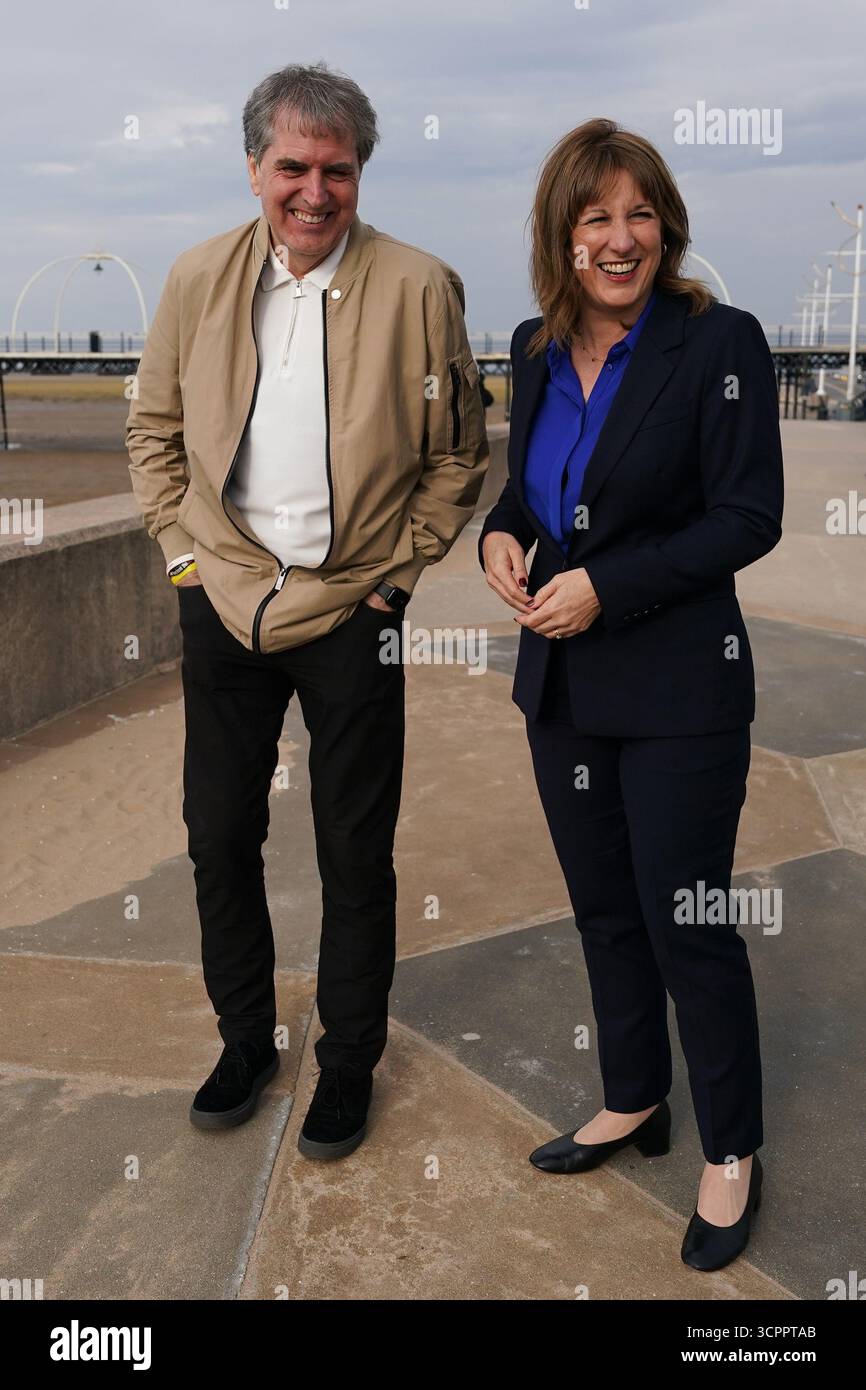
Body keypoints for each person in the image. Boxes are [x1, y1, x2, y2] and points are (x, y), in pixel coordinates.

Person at [126, 61, 488, 1160]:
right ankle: (246, 1039)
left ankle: (346, 1063)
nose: (314, 191)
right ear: (254, 170)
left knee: (352, 847)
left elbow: (457, 455)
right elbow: (151, 431)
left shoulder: (421, 286)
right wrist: (186, 566)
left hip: (351, 607)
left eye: (336, 169)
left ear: (359, 173)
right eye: (292, 167)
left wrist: (395, 581)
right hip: (222, 600)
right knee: (218, 835)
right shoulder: (196, 279)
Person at [479, 117, 783, 1271]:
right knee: (603, 907)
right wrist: (497, 546)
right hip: (559, 682)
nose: (619, 237)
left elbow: (742, 516)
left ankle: (730, 1146)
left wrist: (608, 586)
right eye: (593, 216)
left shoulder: (720, 342)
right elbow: (527, 496)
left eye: (638, 211)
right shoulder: (533, 343)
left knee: (683, 919)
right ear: (561, 236)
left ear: (666, 224)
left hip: (676, 688)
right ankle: (631, 1097)